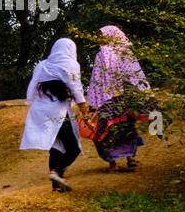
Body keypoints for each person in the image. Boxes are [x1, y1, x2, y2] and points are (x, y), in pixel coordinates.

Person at [20, 37, 92, 192]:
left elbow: (31, 89)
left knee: (57, 145)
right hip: (58, 111)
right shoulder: (71, 64)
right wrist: (85, 111)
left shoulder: (42, 65)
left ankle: (57, 186)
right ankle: (56, 172)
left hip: (39, 111)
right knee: (74, 147)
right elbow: (76, 89)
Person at [86, 25, 155, 172]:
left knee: (109, 129)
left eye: (101, 36)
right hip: (125, 98)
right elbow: (136, 76)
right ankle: (131, 159)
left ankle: (114, 164)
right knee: (127, 126)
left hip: (108, 100)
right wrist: (144, 94)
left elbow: (96, 79)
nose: (99, 39)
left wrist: (93, 102)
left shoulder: (102, 54)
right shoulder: (126, 51)